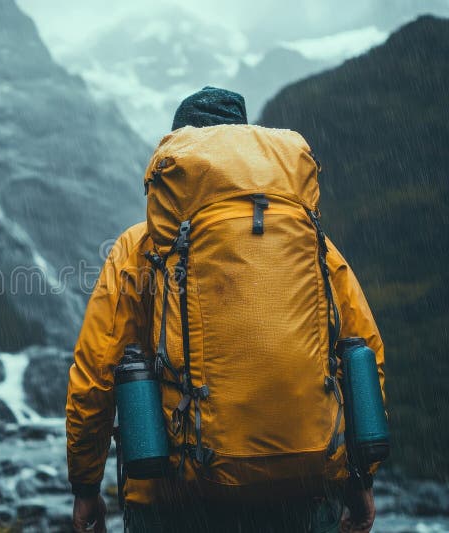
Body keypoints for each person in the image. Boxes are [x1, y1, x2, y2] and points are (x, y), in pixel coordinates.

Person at [66, 87, 384, 533]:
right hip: (302, 487)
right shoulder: (315, 248)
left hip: (175, 495)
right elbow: (362, 352)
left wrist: (85, 484)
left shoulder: (139, 249)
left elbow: (95, 372)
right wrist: (361, 476)